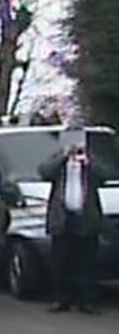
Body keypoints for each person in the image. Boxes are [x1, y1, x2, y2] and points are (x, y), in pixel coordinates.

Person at [39, 126, 105, 315]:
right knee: (61, 262)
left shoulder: (90, 160)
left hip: (85, 217)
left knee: (86, 262)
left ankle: (86, 301)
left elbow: (105, 174)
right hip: (63, 218)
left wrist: (88, 162)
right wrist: (64, 156)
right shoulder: (58, 160)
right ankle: (62, 299)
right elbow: (44, 172)